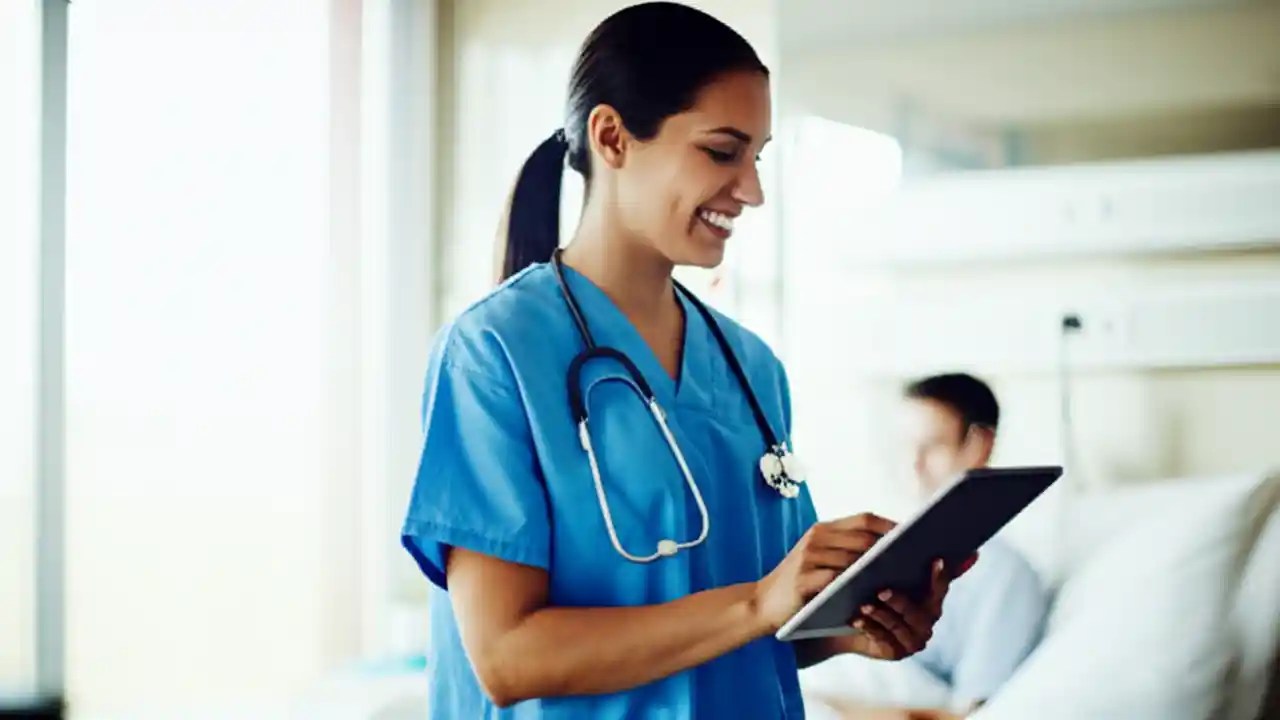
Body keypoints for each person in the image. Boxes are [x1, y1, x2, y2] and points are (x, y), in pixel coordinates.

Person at [398, 4, 969, 717]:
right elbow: (508, 657)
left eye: (756, 157)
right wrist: (761, 602)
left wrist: (855, 626)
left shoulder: (750, 368)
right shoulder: (494, 353)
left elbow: (764, 620)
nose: (753, 191)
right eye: (722, 152)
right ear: (612, 137)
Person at [817, 374, 1049, 720]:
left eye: (932, 446)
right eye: (904, 446)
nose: (913, 463)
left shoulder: (1003, 573)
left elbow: (969, 712)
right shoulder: (880, 548)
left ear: (978, 445)